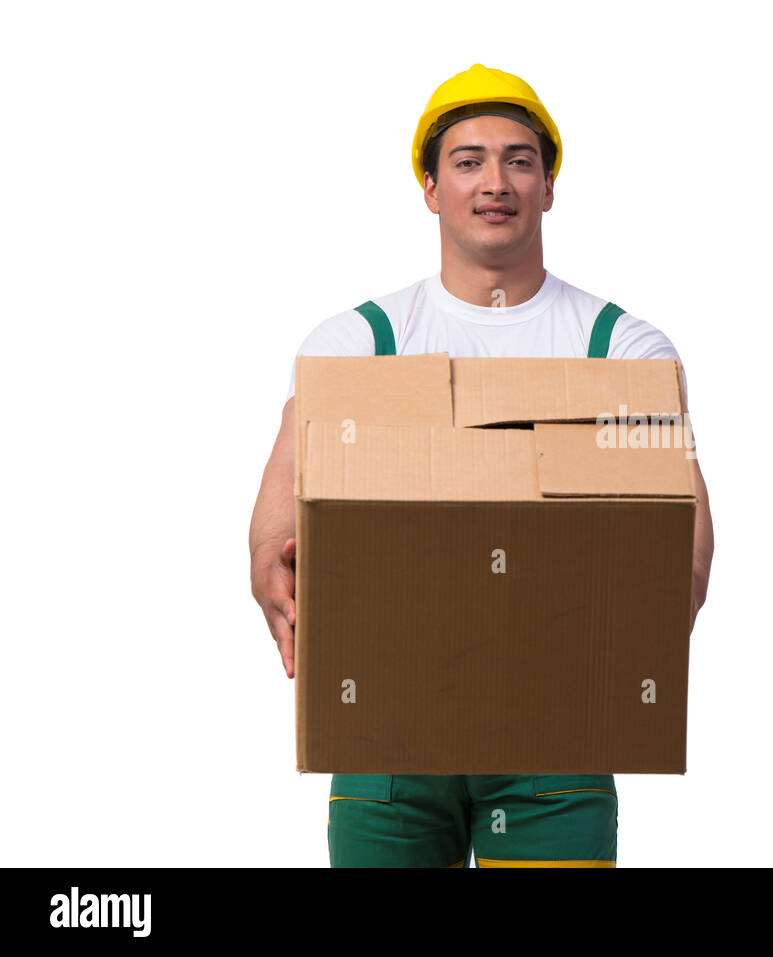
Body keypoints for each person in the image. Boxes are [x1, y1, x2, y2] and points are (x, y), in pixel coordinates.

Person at [248, 63, 714, 868]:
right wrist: (268, 563)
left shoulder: (621, 347)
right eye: (467, 161)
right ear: (431, 188)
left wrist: (636, 641)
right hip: (387, 734)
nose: (494, 182)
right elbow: (284, 500)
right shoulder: (358, 342)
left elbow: (684, 535)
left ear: (549, 185)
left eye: (519, 159)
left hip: (559, 736)